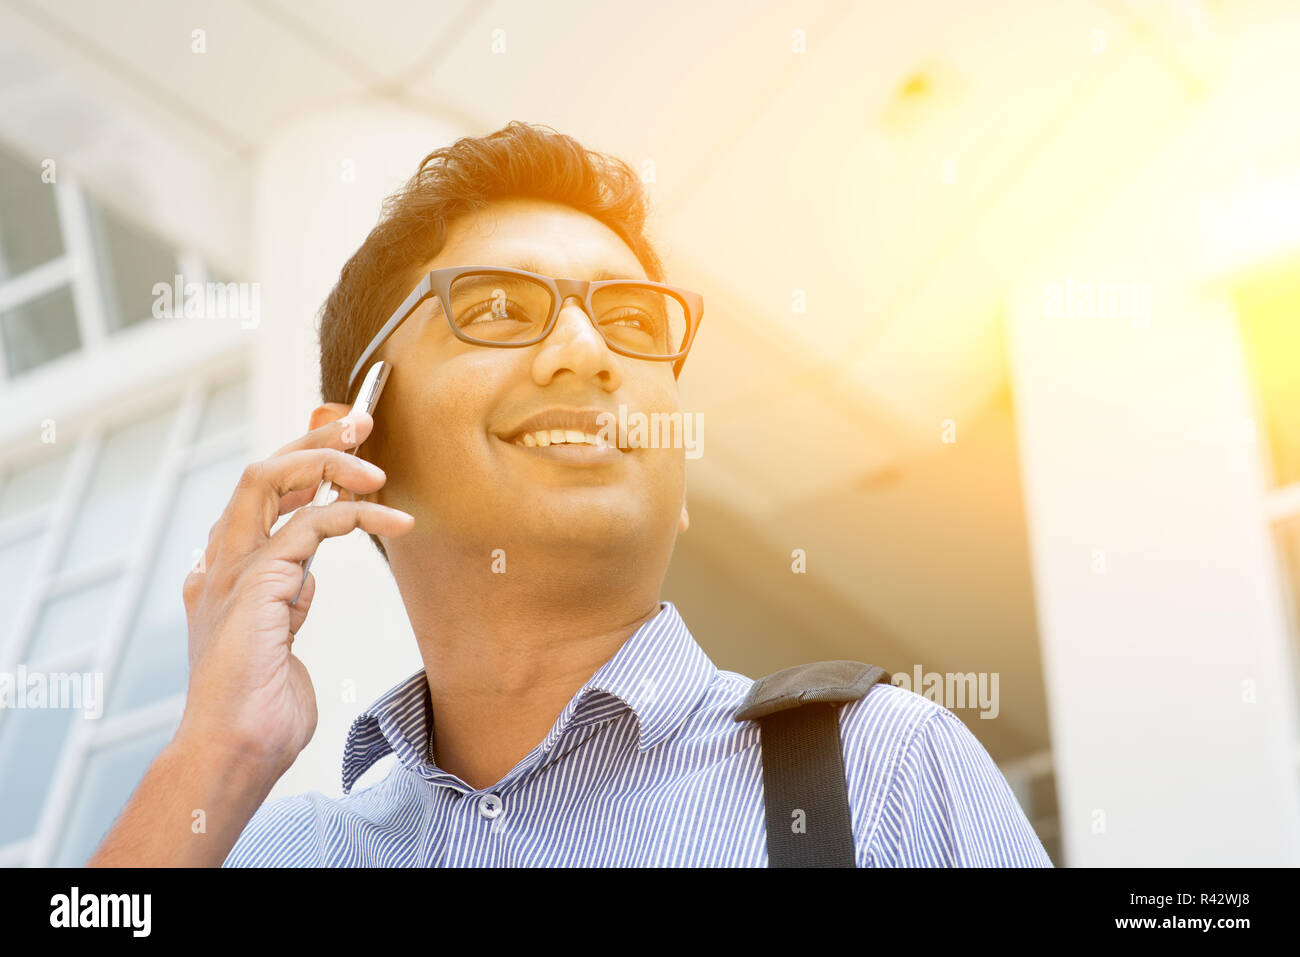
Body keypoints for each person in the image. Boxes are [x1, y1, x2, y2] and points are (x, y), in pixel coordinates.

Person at [89, 121, 1052, 867]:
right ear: (357, 438)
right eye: (502, 307)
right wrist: (212, 755)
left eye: (632, 320)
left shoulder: (874, 768)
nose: (590, 353)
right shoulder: (273, 849)